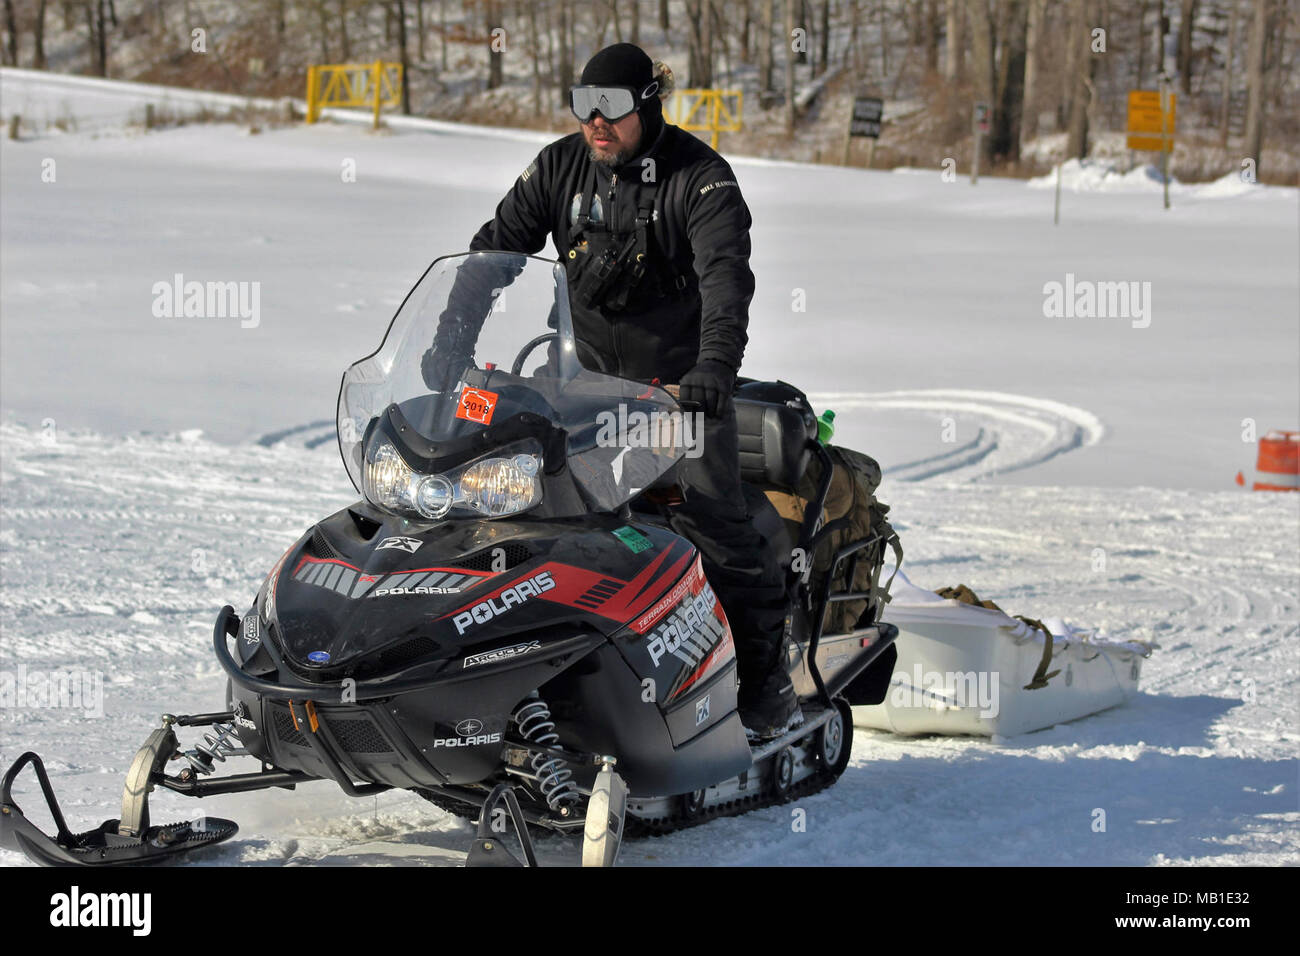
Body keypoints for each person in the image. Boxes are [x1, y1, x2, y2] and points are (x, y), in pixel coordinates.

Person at [460, 42, 799, 739]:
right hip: (575, 389)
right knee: (501, 507)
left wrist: (712, 369)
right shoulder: (558, 167)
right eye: (583, 106)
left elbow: (725, 283)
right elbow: (492, 253)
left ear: (648, 103)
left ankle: (766, 684)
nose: (596, 123)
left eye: (611, 108)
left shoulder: (700, 179)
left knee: (714, 524)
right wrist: (445, 348)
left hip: (677, 396)